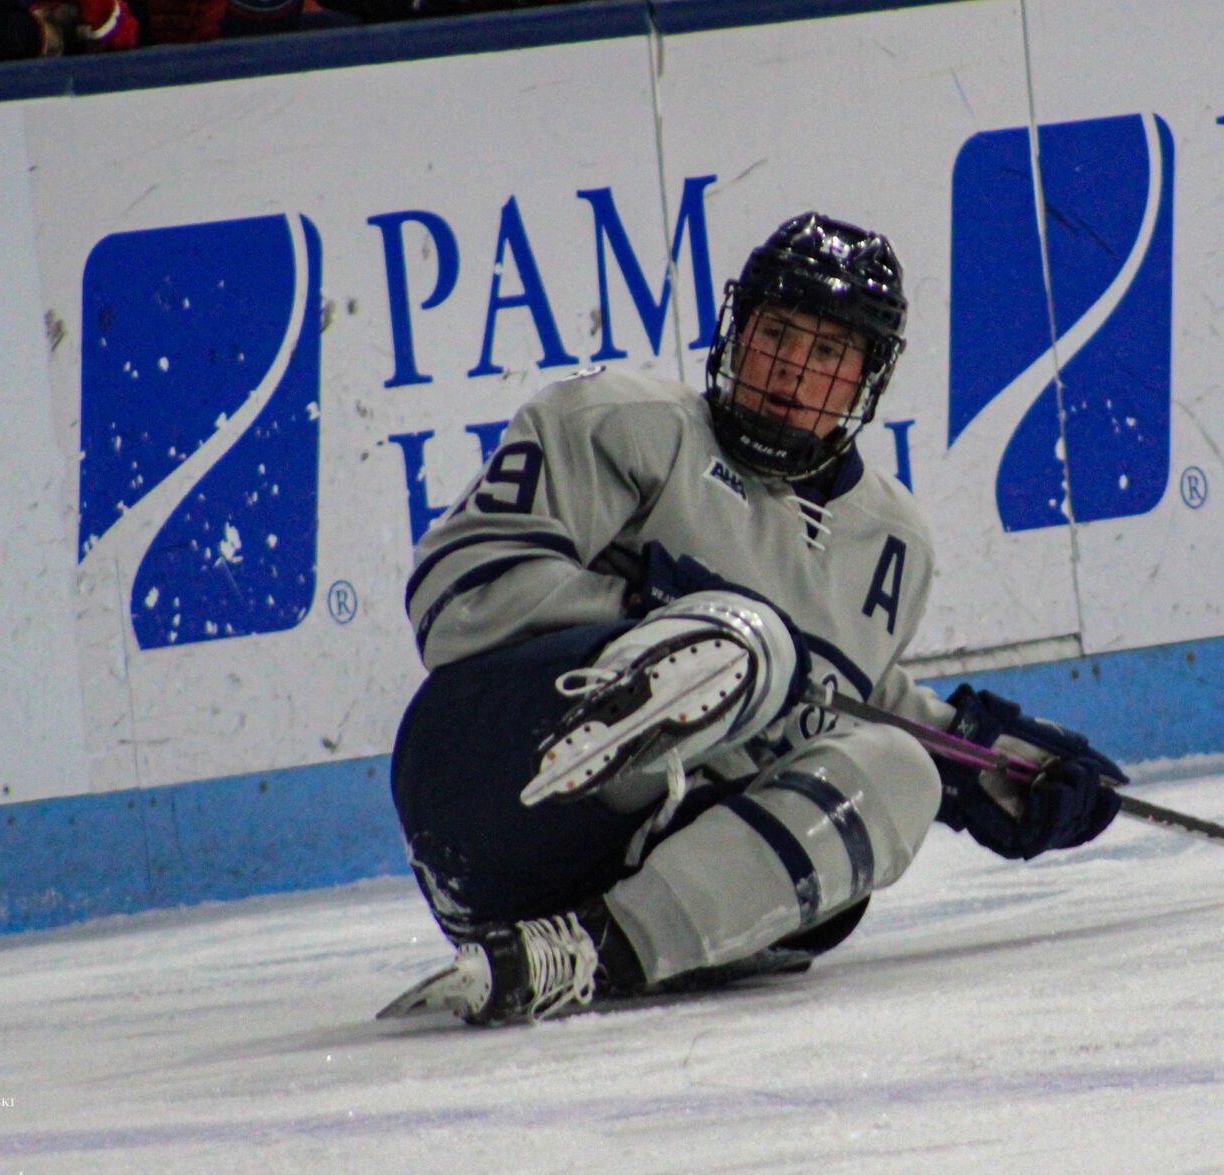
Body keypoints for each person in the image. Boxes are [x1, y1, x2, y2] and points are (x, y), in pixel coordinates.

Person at [389, 211, 1125, 1026]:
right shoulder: (618, 424)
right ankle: (689, 684)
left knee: (900, 768)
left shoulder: (892, 546)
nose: (791, 372)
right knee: (746, 645)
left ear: (867, 381)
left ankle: (598, 952)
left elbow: (840, 701)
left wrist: (985, 763)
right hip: (487, 791)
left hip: (637, 864)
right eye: (776, 334)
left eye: (827, 354)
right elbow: (453, 599)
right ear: (737, 333)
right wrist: (638, 615)